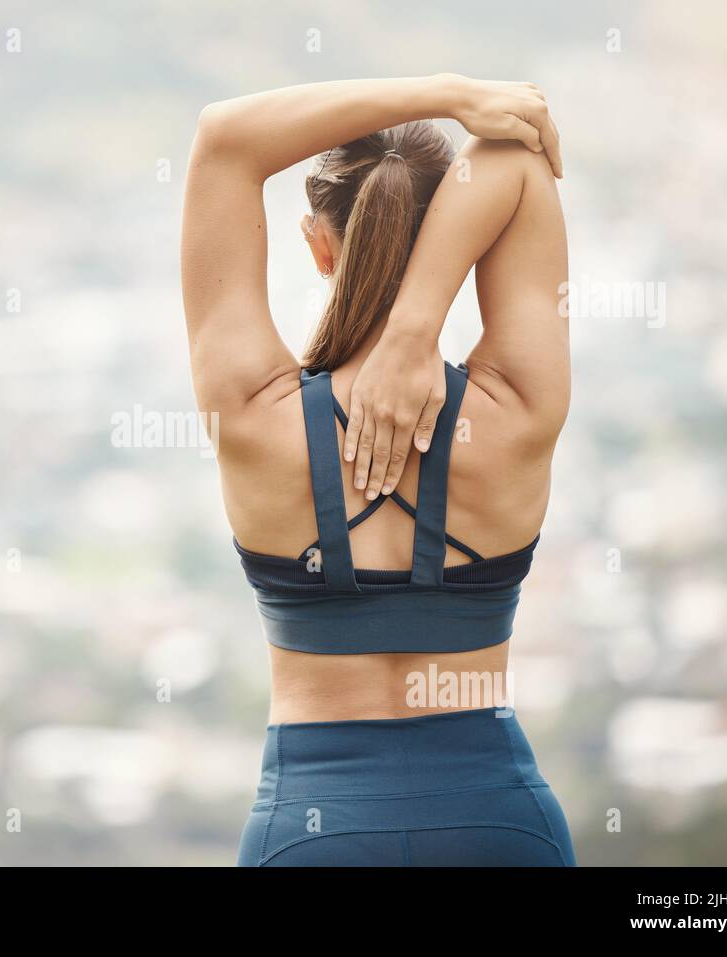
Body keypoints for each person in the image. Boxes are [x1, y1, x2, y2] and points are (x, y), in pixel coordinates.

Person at [180, 74, 574, 865]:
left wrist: (445, 92)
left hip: (314, 833)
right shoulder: (516, 410)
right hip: (498, 825)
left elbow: (224, 139)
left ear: (317, 245)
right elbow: (520, 162)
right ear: (467, 237)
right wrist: (418, 320)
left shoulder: (253, 413)